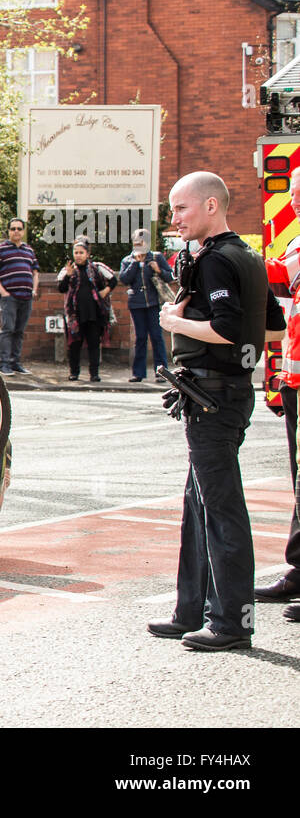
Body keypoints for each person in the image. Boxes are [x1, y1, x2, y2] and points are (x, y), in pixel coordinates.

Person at [147, 171, 286, 651]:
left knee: (221, 508)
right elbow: (274, 328)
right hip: (226, 393)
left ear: (211, 206)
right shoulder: (248, 256)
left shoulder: (214, 260)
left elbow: (227, 329)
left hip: (212, 397)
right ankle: (190, 611)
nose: (175, 218)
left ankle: (230, 623)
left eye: (181, 208)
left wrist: (176, 321)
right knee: (198, 503)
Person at [256, 176, 300, 609]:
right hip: (294, 382)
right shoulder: (296, 242)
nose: (293, 201)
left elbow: (275, 275)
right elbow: (278, 282)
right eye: (292, 194)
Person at [118, 228, 176, 382]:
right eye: (136, 243)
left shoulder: (156, 257)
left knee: (157, 336)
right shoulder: (128, 260)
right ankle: (138, 373)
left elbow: (170, 276)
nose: (139, 246)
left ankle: (161, 372)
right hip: (136, 304)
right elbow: (124, 279)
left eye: (142, 243)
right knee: (140, 338)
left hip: (153, 303)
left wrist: (158, 270)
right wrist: (135, 264)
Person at [56, 237, 116, 382]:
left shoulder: (97, 268)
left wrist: (105, 291)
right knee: (74, 345)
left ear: (87, 254)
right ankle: (74, 372)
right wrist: (68, 276)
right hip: (75, 315)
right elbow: (61, 288)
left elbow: (113, 280)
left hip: (94, 313)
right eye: (76, 252)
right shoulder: (68, 270)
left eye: (81, 252)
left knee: (94, 344)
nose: (78, 255)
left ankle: (94, 374)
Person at [0, 217, 39, 376]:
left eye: (19, 229)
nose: (16, 231)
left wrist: (34, 290)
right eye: (13, 228)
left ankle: (15, 363)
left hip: (26, 297)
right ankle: (4, 364)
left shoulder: (29, 250)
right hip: (9, 297)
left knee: (19, 331)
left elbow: (35, 273)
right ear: (8, 231)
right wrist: (3, 292)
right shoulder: (0, 249)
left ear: (23, 231)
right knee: (7, 329)